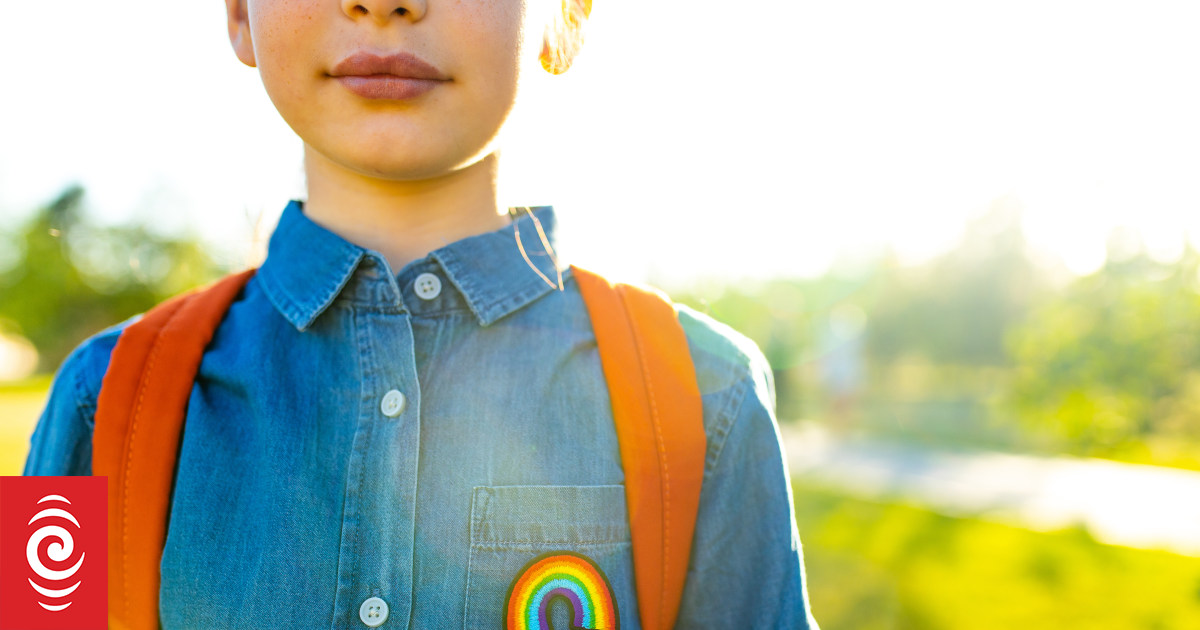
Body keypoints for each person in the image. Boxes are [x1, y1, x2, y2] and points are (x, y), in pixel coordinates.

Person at [23, 0, 820, 627]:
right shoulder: (96, 398)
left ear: (565, 15)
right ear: (238, 12)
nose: (385, 2)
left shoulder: (706, 397)